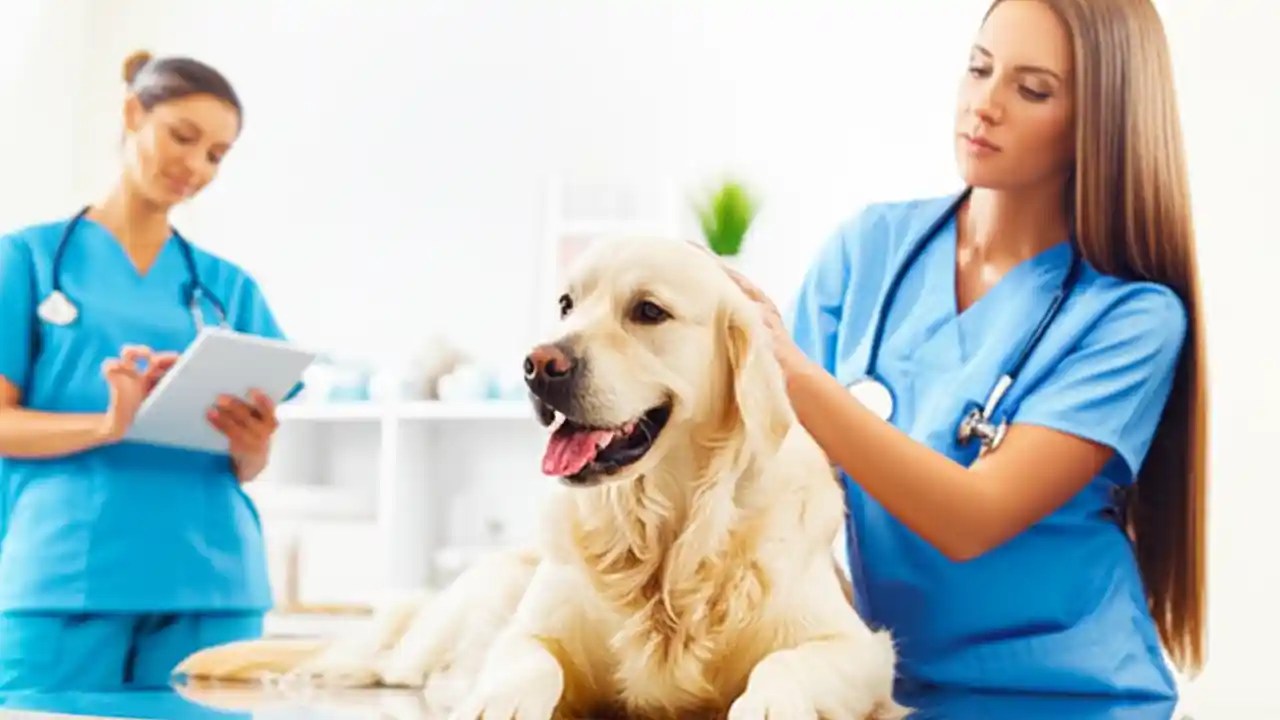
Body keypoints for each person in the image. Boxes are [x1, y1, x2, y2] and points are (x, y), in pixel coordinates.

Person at [728, 0, 1206, 701]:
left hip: (1070, 700)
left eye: (1031, 88)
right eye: (979, 68)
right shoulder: (869, 252)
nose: (984, 105)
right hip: (894, 691)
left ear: (1099, 124)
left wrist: (791, 372)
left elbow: (970, 518)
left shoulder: (1132, 319)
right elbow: (780, 475)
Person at [0, 50, 295, 691]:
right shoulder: (25, 261)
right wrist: (108, 424)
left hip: (212, 581)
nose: (195, 165)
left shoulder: (227, 288)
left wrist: (254, 446)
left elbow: (246, 462)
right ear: (134, 114)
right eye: (182, 137)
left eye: (216, 154)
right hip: (64, 577)